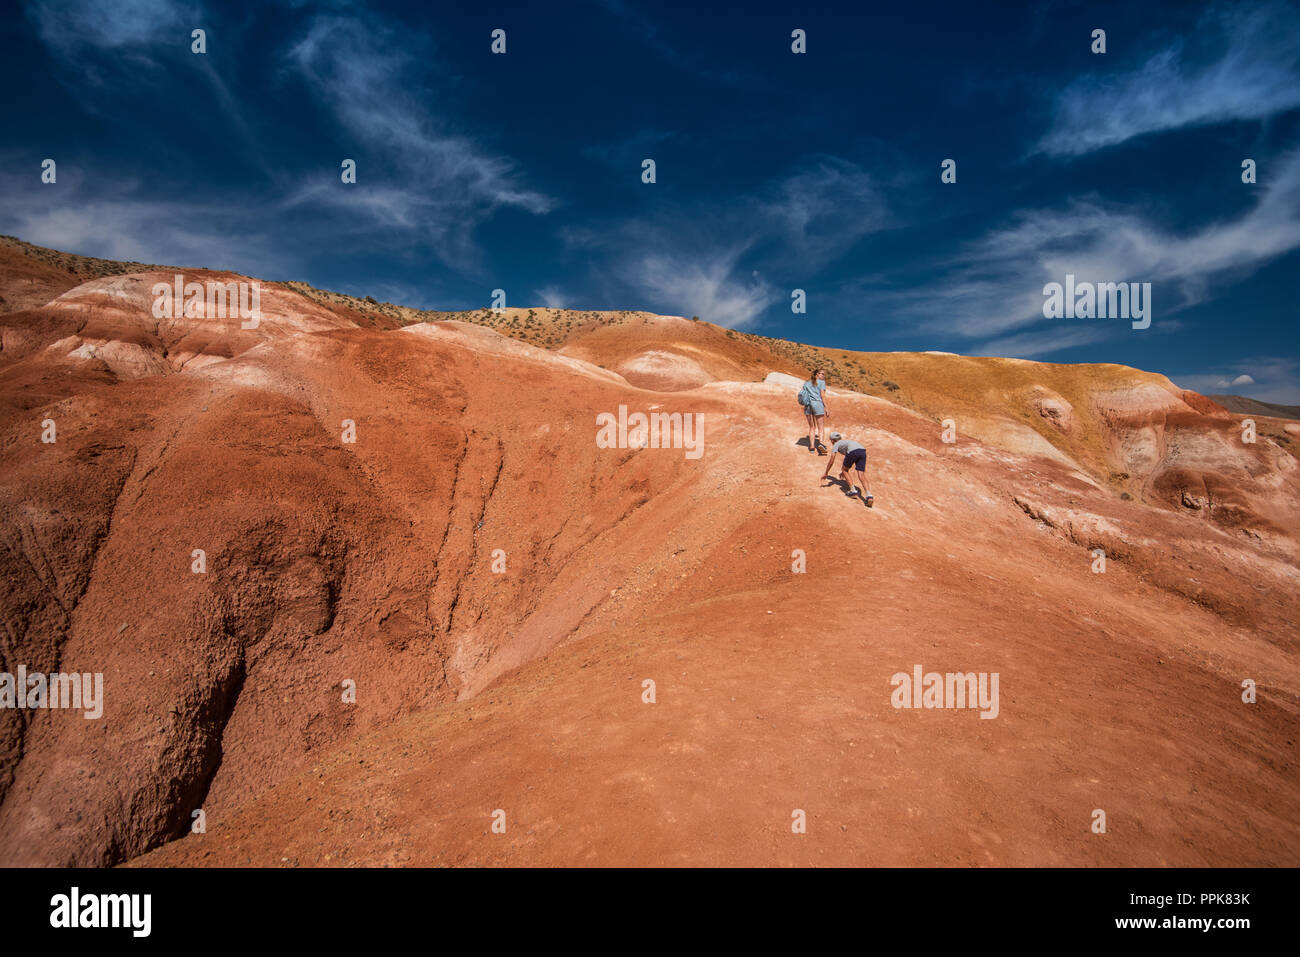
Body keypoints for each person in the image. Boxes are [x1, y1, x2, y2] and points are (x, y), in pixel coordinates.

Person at [821, 431, 874, 507]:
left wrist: (826, 472)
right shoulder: (846, 442)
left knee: (844, 470)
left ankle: (853, 491)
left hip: (853, 452)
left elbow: (832, 460)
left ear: (832, 440)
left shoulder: (836, 444)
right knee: (861, 474)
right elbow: (851, 456)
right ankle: (869, 496)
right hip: (862, 451)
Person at [797, 368, 830, 454]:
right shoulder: (822, 383)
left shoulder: (807, 383)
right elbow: (823, 396)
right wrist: (826, 408)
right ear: (817, 374)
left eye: (824, 374)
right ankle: (821, 445)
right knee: (821, 427)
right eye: (822, 374)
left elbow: (802, 394)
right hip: (817, 405)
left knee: (812, 427)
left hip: (808, 405)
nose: (823, 376)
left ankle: (812, 447)